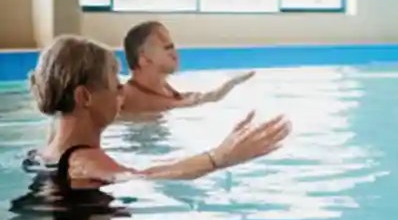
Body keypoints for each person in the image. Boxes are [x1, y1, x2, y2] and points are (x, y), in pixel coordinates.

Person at [26, 35, 290, 188]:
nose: (122, 89)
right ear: (84, 97)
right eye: (115, 82)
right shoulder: (84, 160)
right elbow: (142, 179)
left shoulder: (46, 153)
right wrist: (219, 157)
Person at [119, 21, 256, 114]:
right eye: (167, 48)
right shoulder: (127, 97)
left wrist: (227, 86)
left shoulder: (163, 89)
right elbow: (174, 104)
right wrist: (216, 94)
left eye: (173, 46)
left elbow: (184, 101)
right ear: (144, 60)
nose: (175, 54)